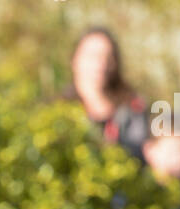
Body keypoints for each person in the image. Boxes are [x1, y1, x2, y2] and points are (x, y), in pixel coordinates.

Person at [63, 27, 149, 160]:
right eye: (92, 55)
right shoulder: (58, 111)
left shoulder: (133, 109)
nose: (101, 63)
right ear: (74, 59)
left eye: (108, 56)